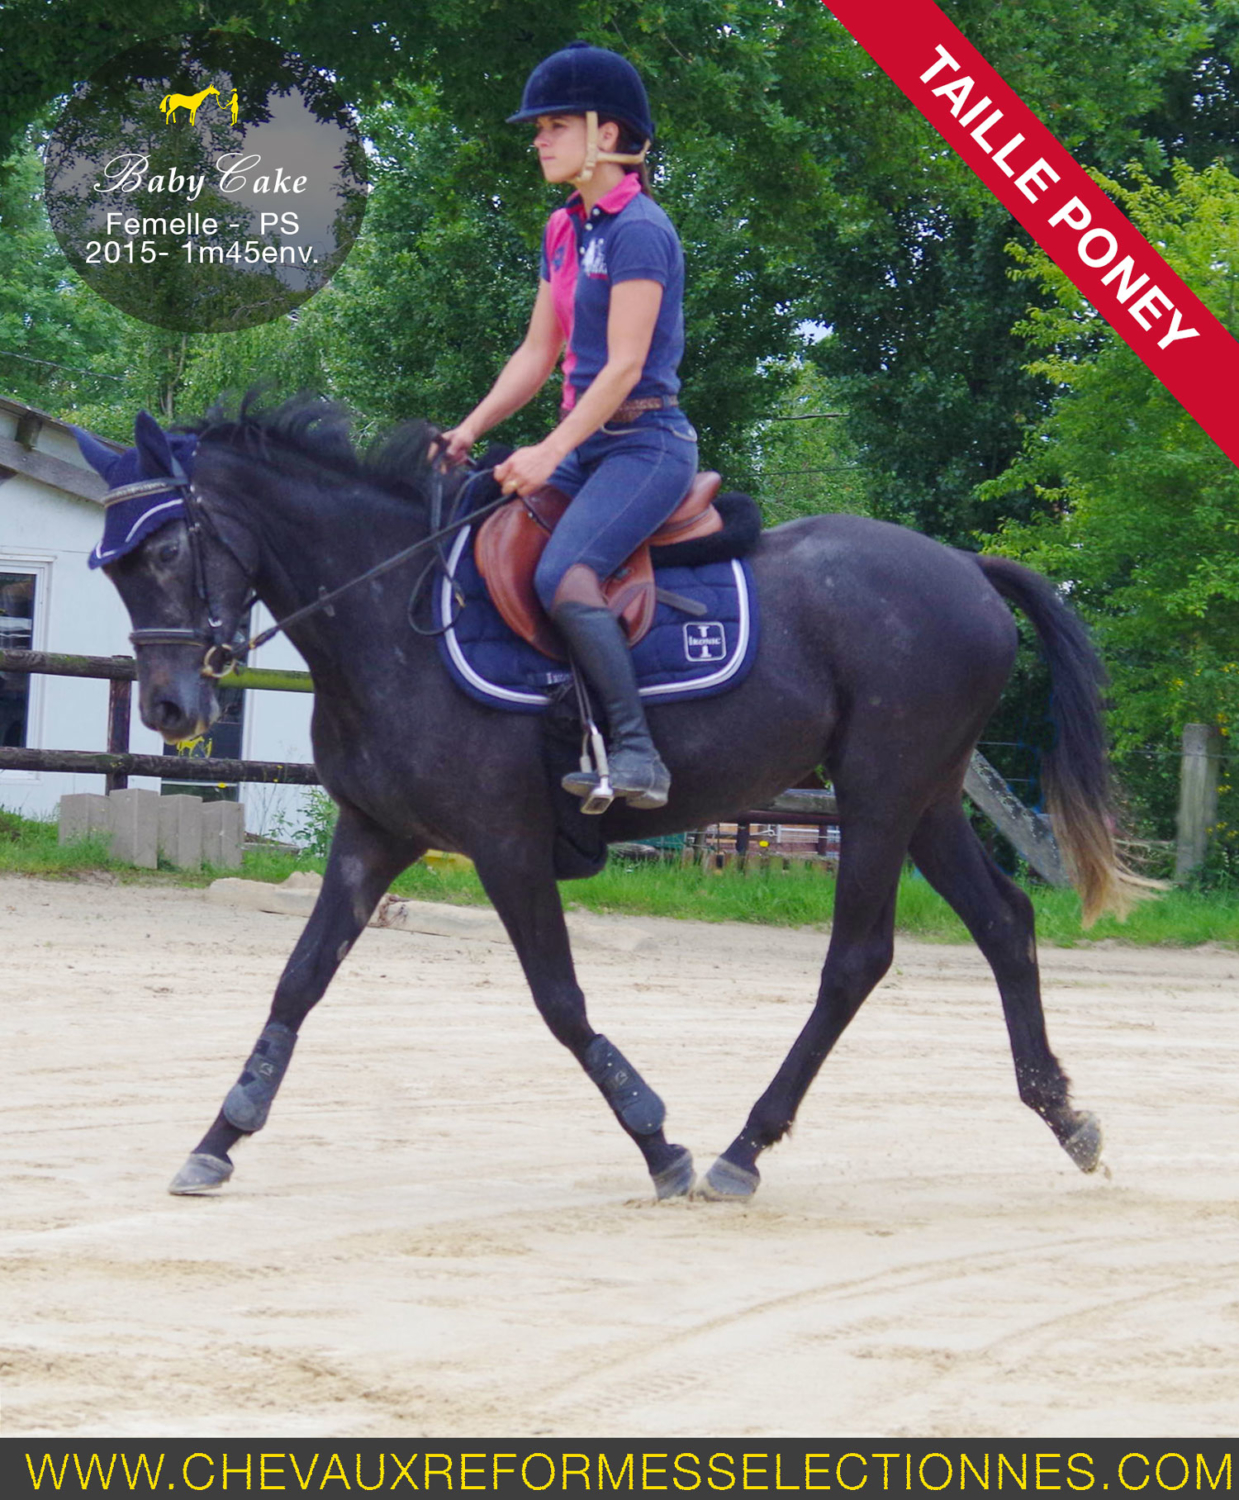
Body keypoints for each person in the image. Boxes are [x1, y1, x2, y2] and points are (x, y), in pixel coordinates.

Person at [439, 41, 697, 811]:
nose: (538, 139)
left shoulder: (639, 231)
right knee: (466, 520)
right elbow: (537, 352)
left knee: (561, 575)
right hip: (586, 446)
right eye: (540, 127)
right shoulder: (564, 230)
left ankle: (637, 752)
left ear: (607, 136)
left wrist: (552, 449)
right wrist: (465, 431)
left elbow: (620, 366)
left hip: (644, 446)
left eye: (554, 125)